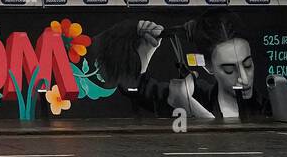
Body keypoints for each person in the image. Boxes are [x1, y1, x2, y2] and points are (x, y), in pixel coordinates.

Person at [89, 10, 266, 120]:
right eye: (229, 69)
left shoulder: (268, 107)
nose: (243, 78)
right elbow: (133, 89)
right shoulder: (195, 92)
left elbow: (215, 129)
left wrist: (189, 105)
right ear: (208, 66)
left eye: (248, 65)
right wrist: (145, 53)